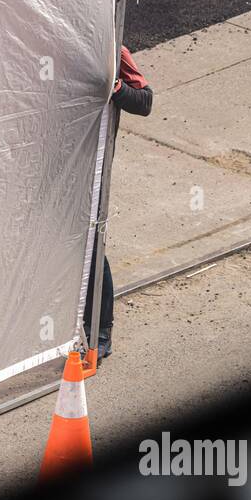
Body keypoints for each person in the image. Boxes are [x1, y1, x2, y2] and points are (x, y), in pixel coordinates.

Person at [85, 45, 153, 359]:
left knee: (92, 246)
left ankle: (100, 330)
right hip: (57, 166)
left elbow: (144, 101)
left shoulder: (114, 48)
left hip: (94, 167)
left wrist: (115, 88)